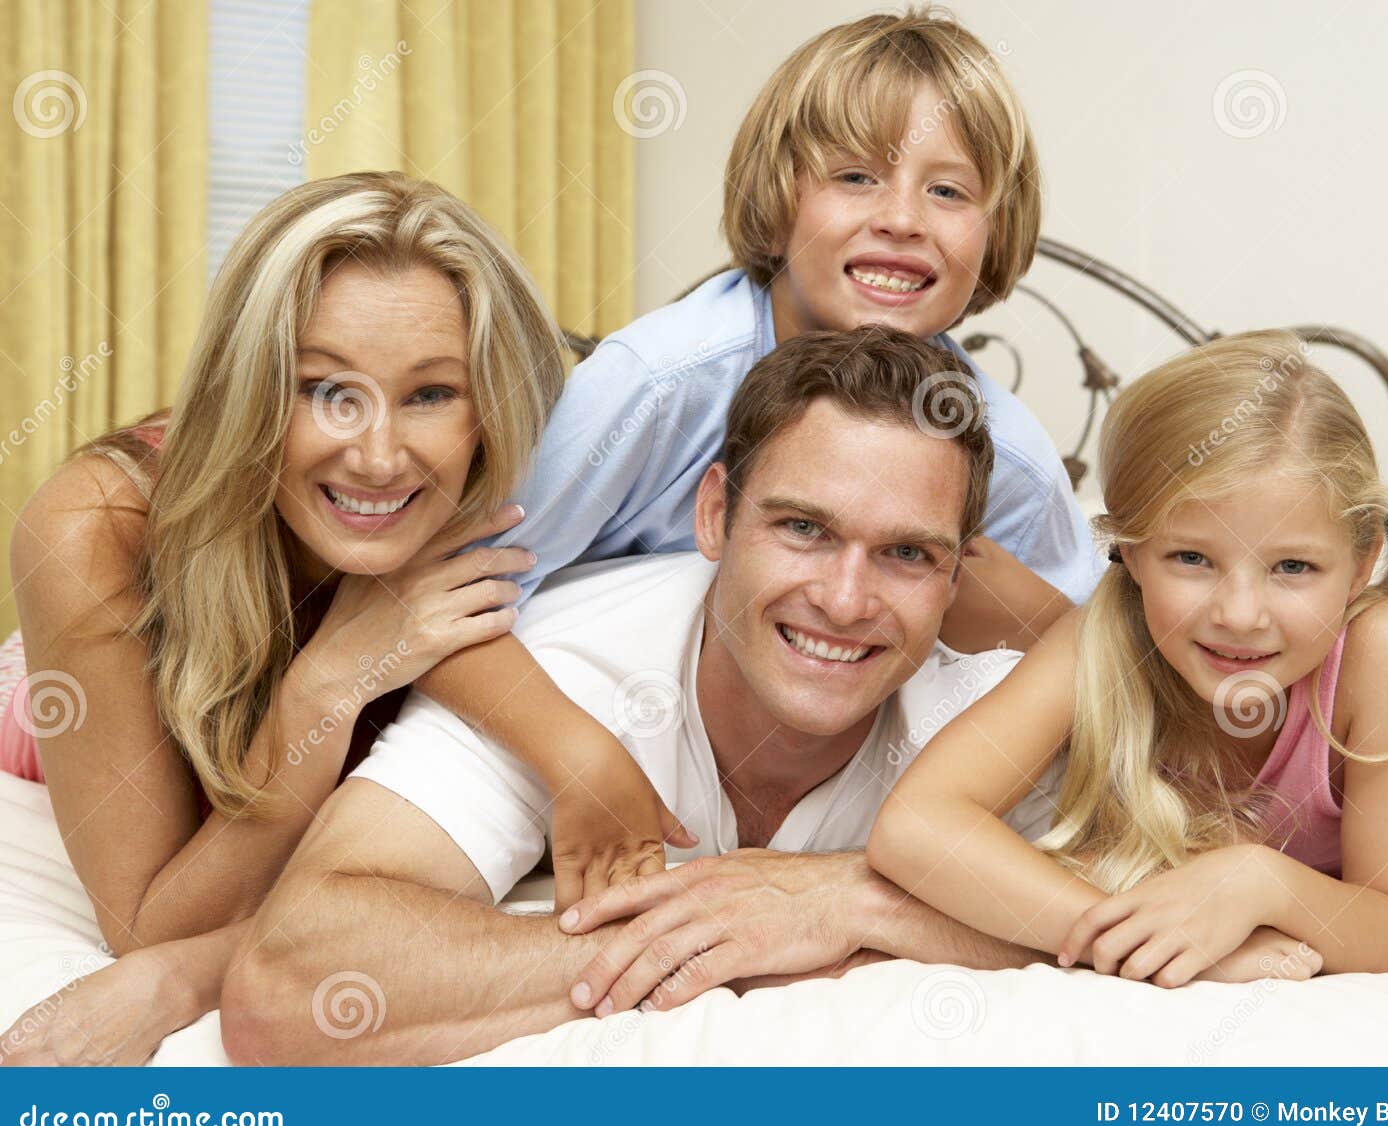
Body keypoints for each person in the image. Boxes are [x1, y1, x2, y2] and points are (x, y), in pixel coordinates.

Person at [219, 328, 1310, 1066]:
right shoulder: (567, 669)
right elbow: (289, 976)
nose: (843, 598)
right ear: (712, 516)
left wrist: (850, 901)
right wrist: (723, 932)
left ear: (956, 574)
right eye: (801, 527)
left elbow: (1173, 934)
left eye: (905, 554)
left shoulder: (990, 716)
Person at [400, 6, 1106, 911]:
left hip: (811, 799)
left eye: (949, 192)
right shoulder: (654, 386)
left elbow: (1107, 668)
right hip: (569, 751)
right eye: (856, 176)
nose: (901, 220)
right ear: (780, 198)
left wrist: (1011, 606)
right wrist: (579, 757)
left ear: (996, 231)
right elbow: (429, 605)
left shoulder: (1000, 451)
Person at [0, 171, 562, 1063]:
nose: (379, 458)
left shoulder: (527, 502)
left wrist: (186, 979)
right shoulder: (93, 531)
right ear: (248, 388)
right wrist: (332, 682)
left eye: (431, 394)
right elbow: (148, 923)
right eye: (322, 389)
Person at [868, 330, 1388, 987]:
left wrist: (1258, 880)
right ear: (1131, 554)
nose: (1238, 613)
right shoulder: (1103, 633)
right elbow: (916, 824)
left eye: (1292, 566)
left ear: (1360, 568)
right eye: (1192, 558)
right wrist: (1133, 938)